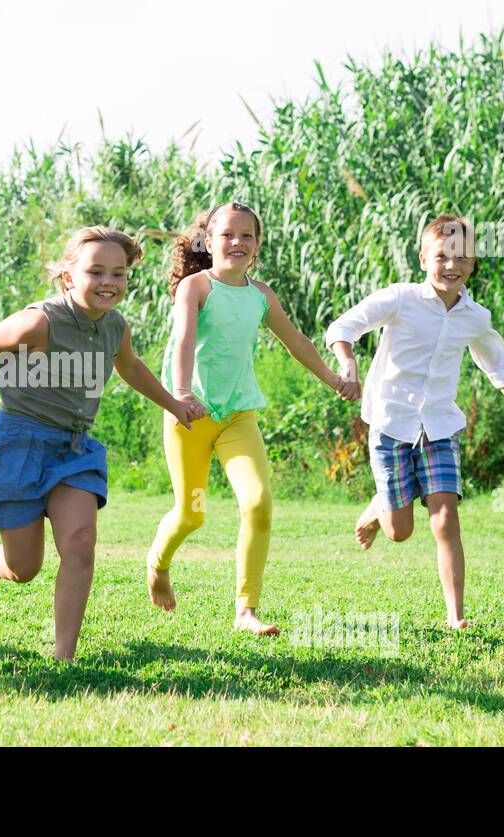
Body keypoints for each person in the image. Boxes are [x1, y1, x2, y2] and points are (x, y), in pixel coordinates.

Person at [0, 226, 203, 660]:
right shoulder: (39, 320)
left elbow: (132, 369)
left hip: (74, 449)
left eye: (119, 273)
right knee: (24, 567)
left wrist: (174, 403)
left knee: (80, 544)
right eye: (96, 271)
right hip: (20, 444)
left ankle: (63, 655)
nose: (109, 281)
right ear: (69, 277)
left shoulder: (115, 328)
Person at [146, 202, 360, 635]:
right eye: (227, 235)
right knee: (191, 514)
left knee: (258, 502)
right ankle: (158, 563)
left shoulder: (260, 295)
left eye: (247, 236)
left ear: (258, 245)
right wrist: (182, 394)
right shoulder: (196, 287)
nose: (237, 243)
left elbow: (295, 341)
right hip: (189, 415)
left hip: (237, 417)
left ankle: (246, 609)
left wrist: (333, 379)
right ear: (208, 241)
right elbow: (184, 341)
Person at [325, 214, 504, 629]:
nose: (452, 266)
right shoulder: (400, 299)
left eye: (463, 258)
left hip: (439, 425)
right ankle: (379, 507)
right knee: (400, 531)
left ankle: (456, 616)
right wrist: (348, 362)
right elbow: (344, 326)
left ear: (473, 263)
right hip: (391, 421)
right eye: (442, 256)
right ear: (423, 258)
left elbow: (493, 356)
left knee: (445, 518)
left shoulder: (476, 315)